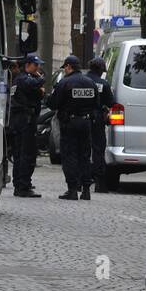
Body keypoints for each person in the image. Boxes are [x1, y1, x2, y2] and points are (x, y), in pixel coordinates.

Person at [47, 55, 98, 200]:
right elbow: (96, 104)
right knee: (85, 156)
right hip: (86, 123)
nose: (64, 71)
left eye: (65, 68)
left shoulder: (65, 83)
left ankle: (73, 190)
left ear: (69, 66)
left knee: (70, 156)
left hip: (70, 124)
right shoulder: (90, 83)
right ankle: (86, 190)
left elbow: (53, 104)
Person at [9, 55, 46, 198]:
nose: (38, 69)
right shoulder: (23, 79)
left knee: (21, 153)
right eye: (36, 65)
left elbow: (38, 94)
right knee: (26, 154)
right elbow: (37, 86)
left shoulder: (20, 79)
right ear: (28, 65)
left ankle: (21, 183)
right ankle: (22, 185)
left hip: (22, 119)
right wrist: (40, 78)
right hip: (25, 120)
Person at [86, 56, 115, 193]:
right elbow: (111, 103)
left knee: (82, 150)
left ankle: (80, 182)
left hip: (81, 119)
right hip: (97, 120)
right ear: (101, 69)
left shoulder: (81, 81)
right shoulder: (103, 84)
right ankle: (99, 184)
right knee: (98, 151)